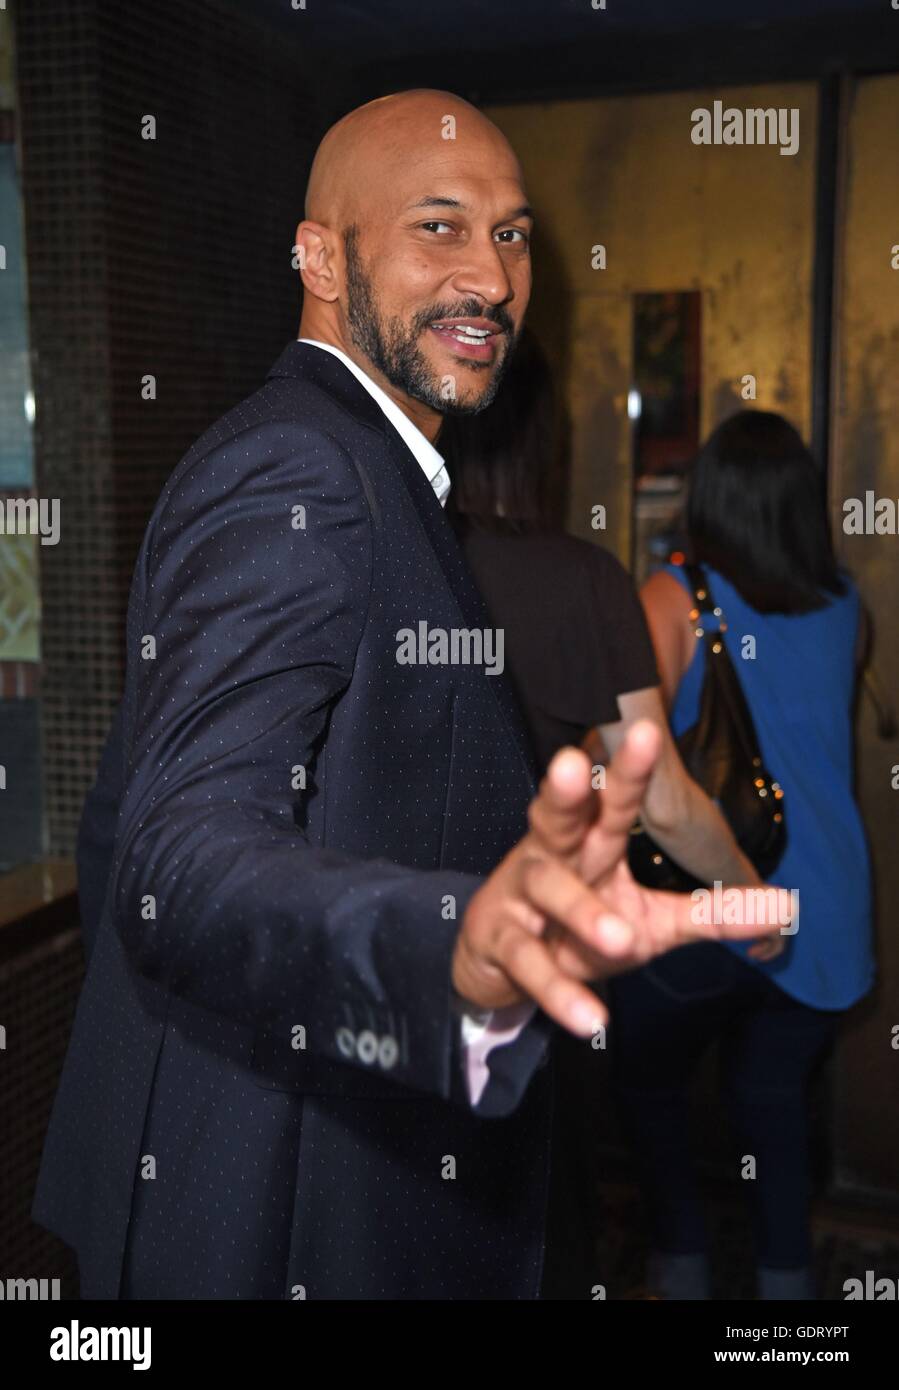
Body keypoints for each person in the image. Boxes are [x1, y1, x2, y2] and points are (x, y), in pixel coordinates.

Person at [31, 91, 784, 1301]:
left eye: (512, 233)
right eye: (439, 226)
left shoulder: (367, 468)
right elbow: (177, 853)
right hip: (270, 1206)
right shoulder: (299, 469)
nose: (489, 274)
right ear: (320, 257)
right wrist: (440, 950)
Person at [441, 330, 767, 1297]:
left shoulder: (388, 557)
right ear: (543, 437)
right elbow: (658, 789)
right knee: (541, 1213)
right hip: (537, 945)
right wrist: (750, 898)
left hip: (400, 946)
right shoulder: (581, 580)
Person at [608, 409, 875, 1300]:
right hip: (827, 906)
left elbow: (627, 757)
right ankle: (786, 1304)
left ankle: (679, 1260)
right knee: (770, 1101)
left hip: (718, 898)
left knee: (641, 1068)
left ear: (707, 497)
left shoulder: (671, 596)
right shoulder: (844, 604)